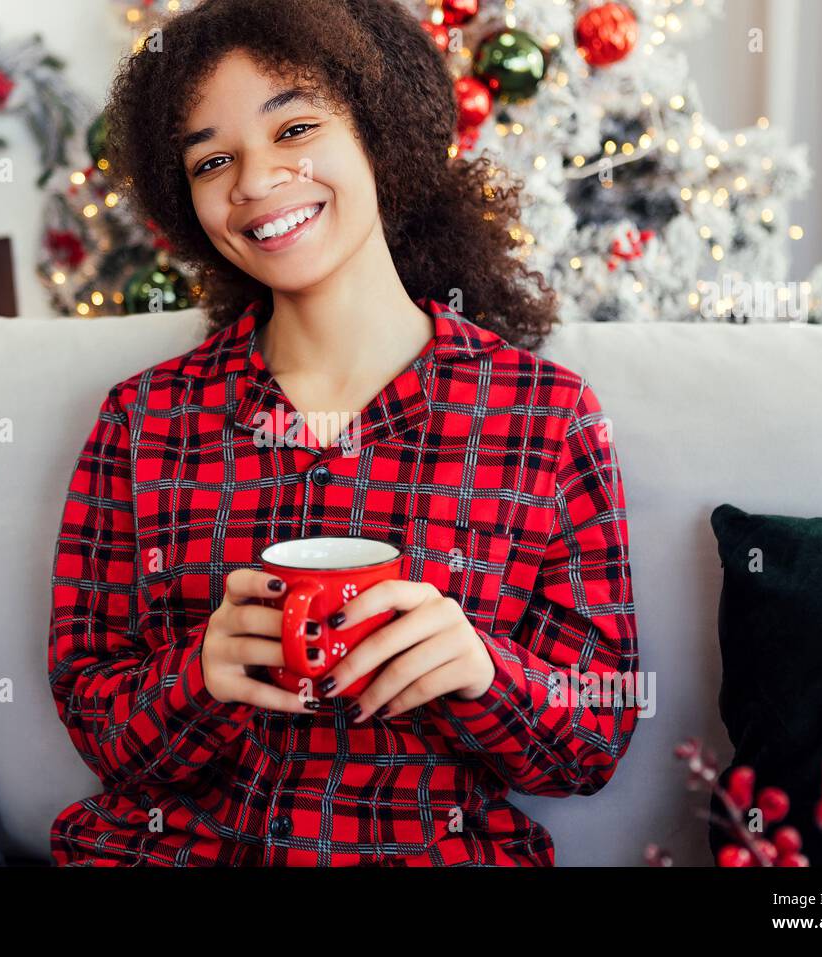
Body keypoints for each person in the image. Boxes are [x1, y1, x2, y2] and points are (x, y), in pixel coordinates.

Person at [47, 0, 638, 866]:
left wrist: (482, 671)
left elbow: (595, 738)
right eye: (213, 159)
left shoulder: (546, 416)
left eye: (294, 128)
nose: (254, 180)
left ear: (381, 133)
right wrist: (196, 677)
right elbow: (99, 723)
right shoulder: (142, 421)